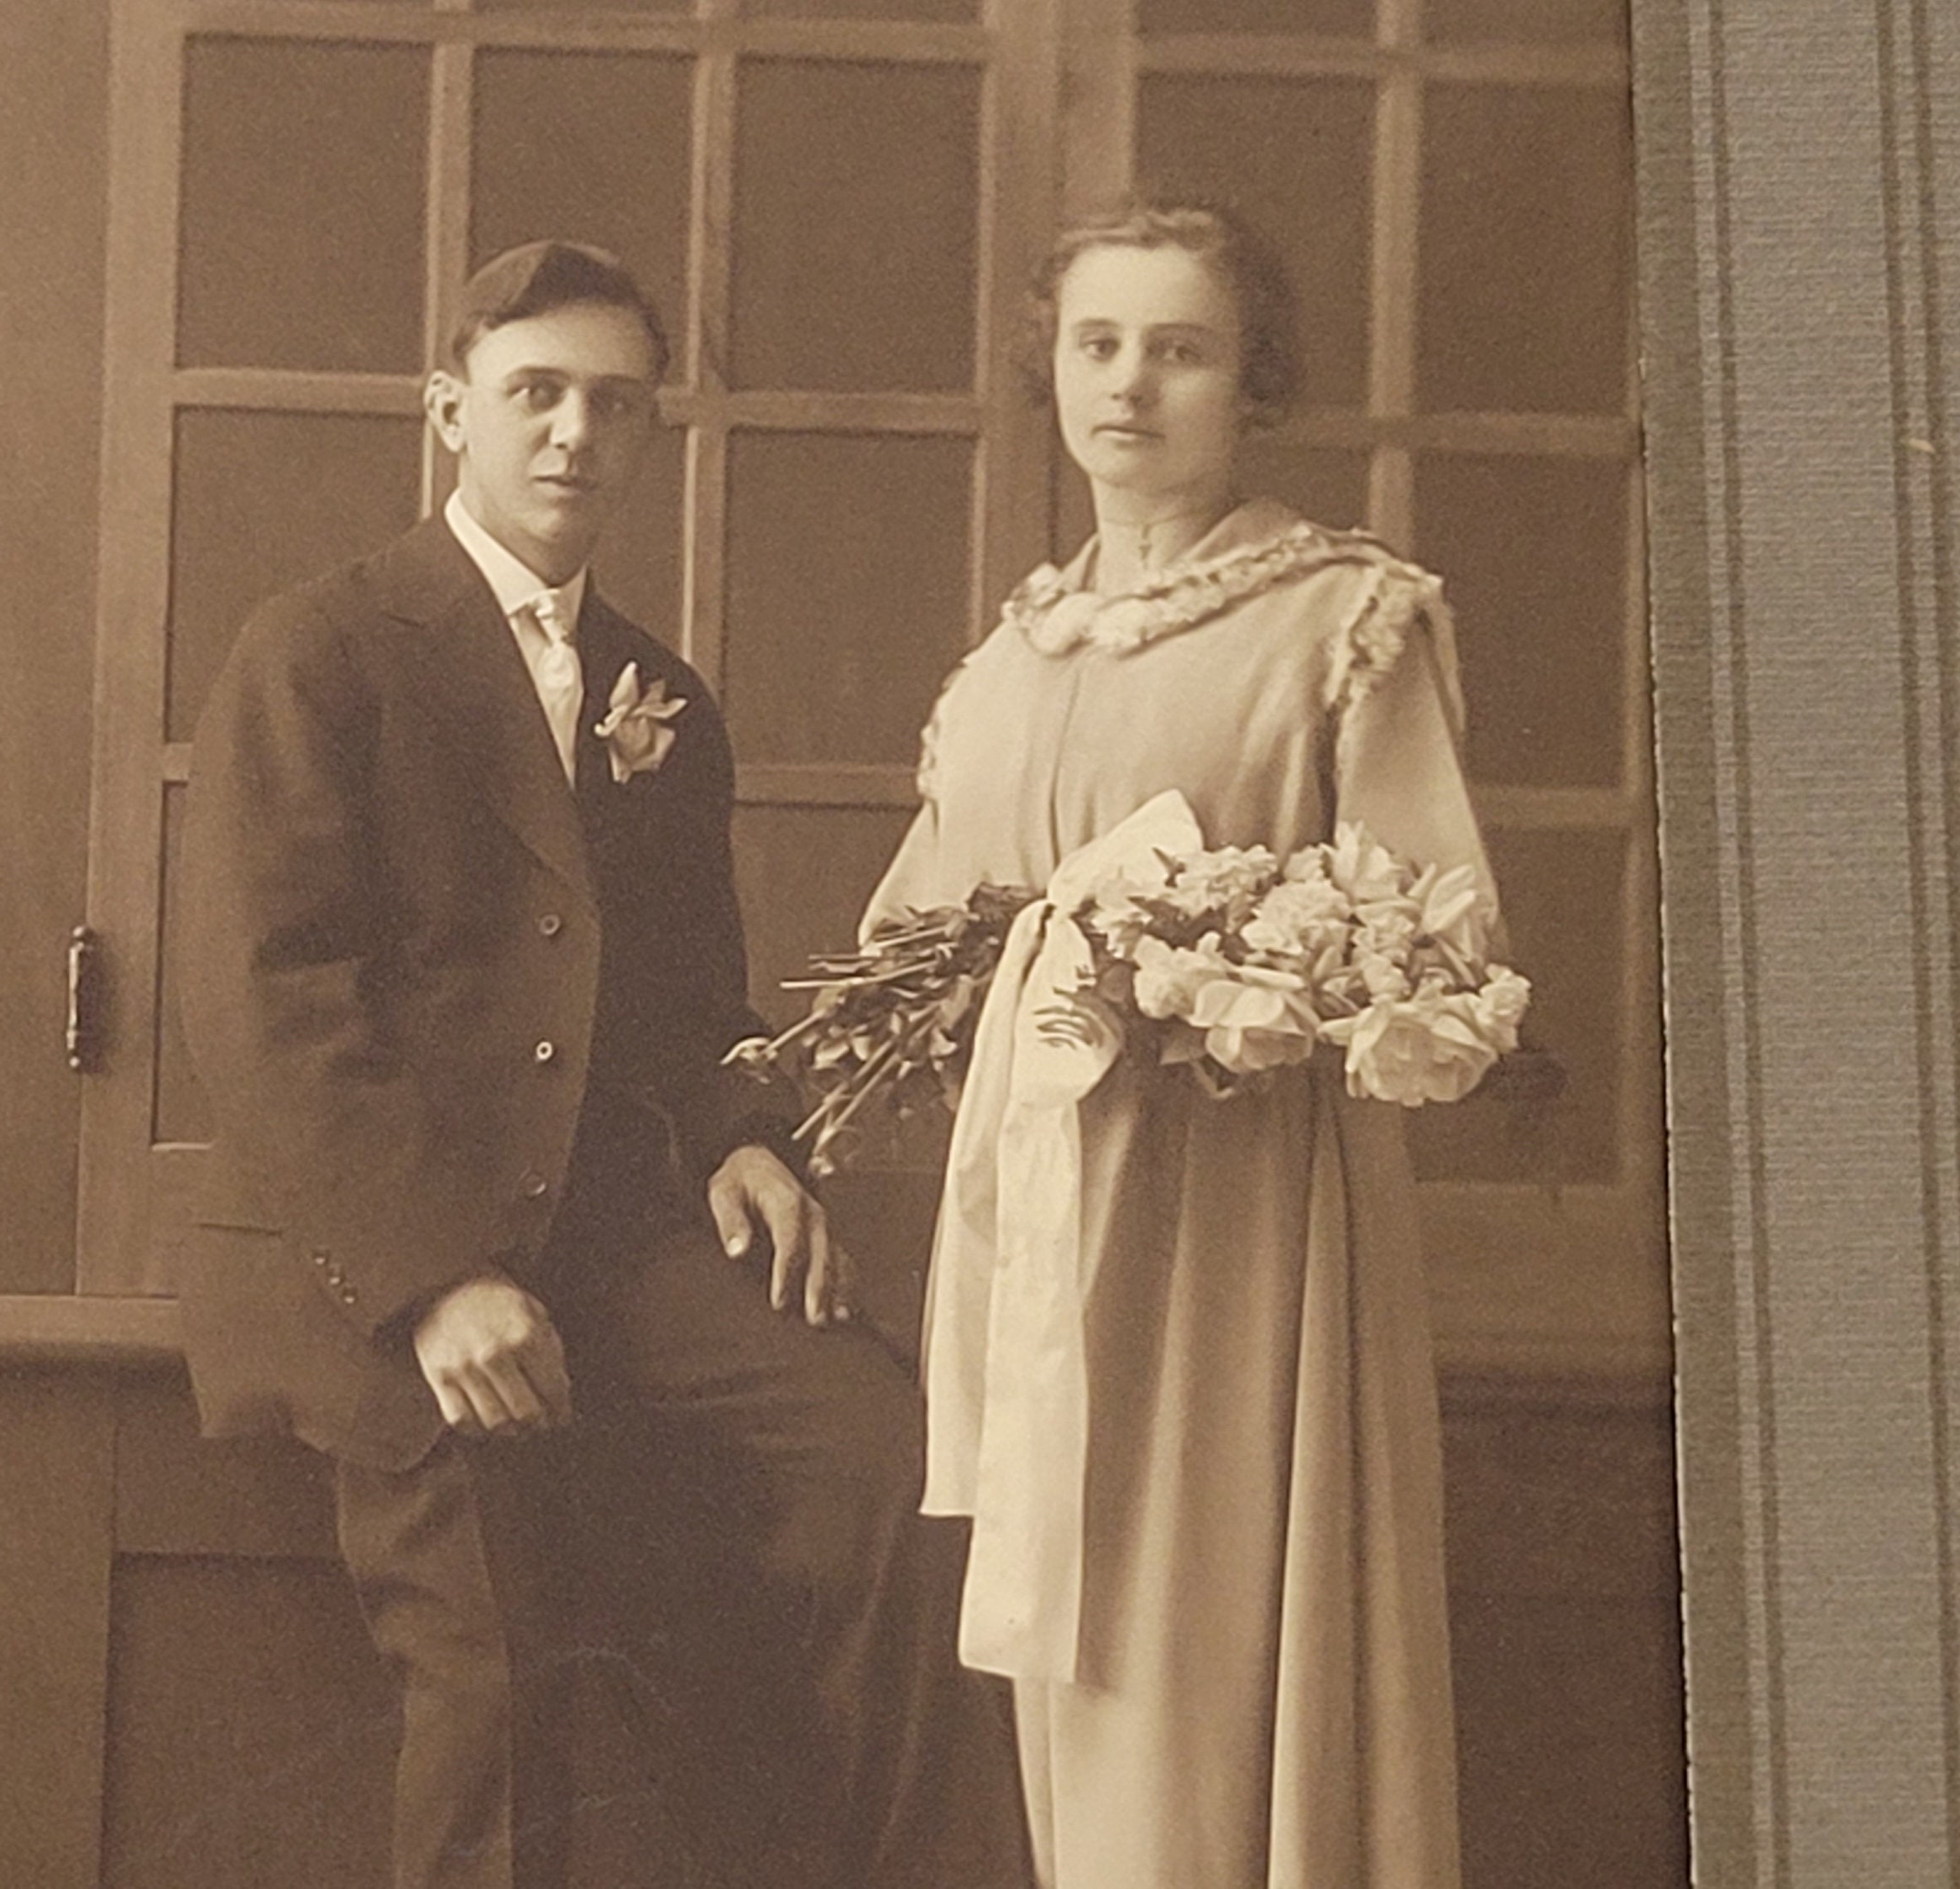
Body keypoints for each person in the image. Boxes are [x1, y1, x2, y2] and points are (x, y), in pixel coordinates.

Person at [173, 239, 1033, 1889]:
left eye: (613, 403)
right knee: (498, 1660)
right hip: (382, 1257)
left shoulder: (664, 698)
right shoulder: (327, 651)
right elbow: (267, 1001)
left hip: (613, 1244)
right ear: (453, 413)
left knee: (888, 1468)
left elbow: (687, 998)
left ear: (648, 435)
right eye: (535, 393)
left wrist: (739, 1136)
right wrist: (437, 1286)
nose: (574, 432)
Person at [862, 201, 1494, 1889]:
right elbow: (917, 946)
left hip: (1242, 1236)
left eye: (1181, 348)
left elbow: (1444, 940)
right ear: (1052, 367)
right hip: (1047, 1232)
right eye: (1097, 343)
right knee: (1076, 1649)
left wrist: (1238, 963)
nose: (1130, 384)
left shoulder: (1342, 620)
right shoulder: (1006, 662)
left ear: (1250, 382)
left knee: (1213, 1646)